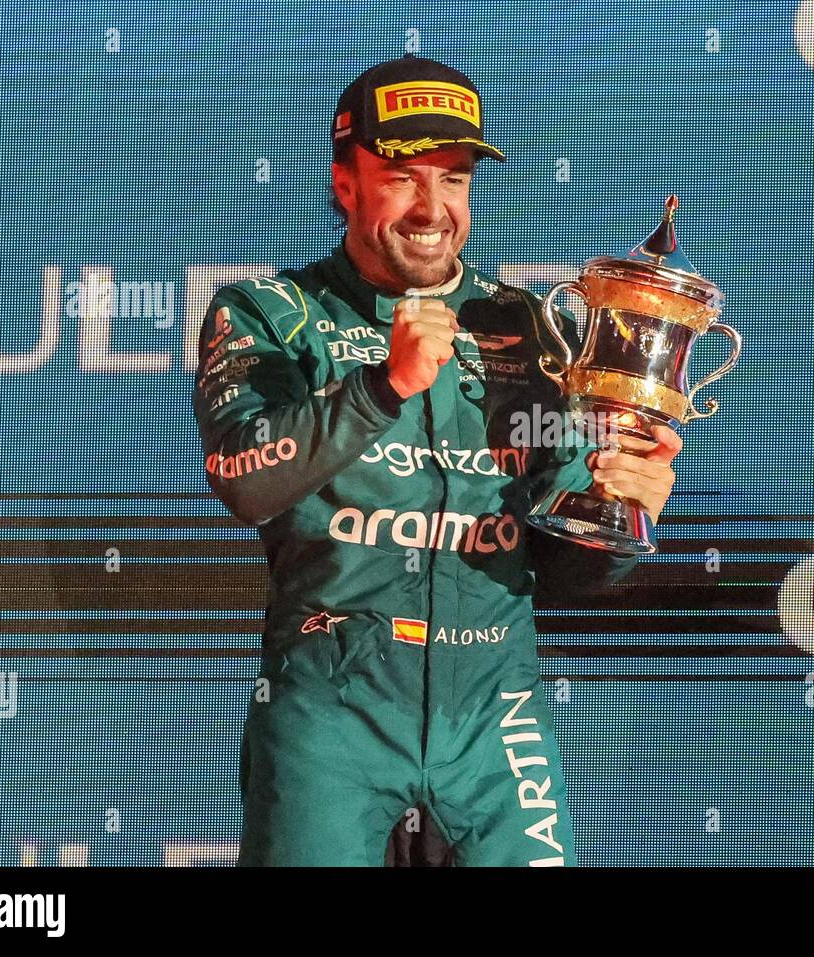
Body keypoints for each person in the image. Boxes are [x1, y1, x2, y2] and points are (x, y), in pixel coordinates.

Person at [192, 54, 681, 866]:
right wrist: (382, 388)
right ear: (344, 181)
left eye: (453, 179)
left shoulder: (526, 325)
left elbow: (560, 572)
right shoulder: (272, 313)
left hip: (497, 719)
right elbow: (244, 480)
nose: (432, 208)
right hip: (332, 713)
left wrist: (623, 513)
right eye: (402, 176)